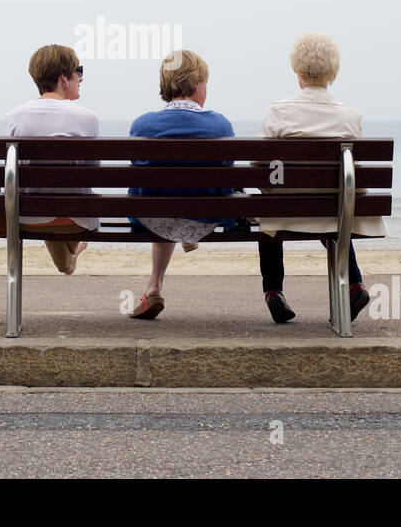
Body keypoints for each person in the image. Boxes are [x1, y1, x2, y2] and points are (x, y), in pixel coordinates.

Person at [257, 32, 386, 323]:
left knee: (268, 217)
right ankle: (355, 284)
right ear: (333, 72)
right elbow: (358, 179)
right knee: (337, 210)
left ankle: (274, 292)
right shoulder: (350, 117)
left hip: (286, 214)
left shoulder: (279, 112)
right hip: (334, 213)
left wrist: (271, 192)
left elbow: (259, 168)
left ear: (296, 68)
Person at [125, 50, 235, 319]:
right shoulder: (220, 126)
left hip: (152, 218)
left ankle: (154, 285)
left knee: (163, 201)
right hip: (204, 219)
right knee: (183, 202)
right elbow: (228, 172)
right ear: (197, 84)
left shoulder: (142, 125)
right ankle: (165, 267)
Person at [3, 44, 98, 275]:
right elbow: (93, 173)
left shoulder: (14, 117)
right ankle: (73, 256)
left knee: (45, 195)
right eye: (79, 71)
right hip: (75, 218)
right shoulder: (87, 118)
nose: (81, 78)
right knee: (75, 197)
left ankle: (69, 261)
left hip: (27, 214)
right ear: (64, 78)